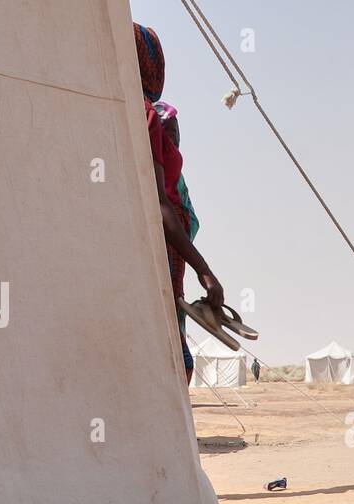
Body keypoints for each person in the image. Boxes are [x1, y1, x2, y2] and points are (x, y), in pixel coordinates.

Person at [135, 23, 224, 385]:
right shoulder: (145, 115)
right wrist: (204, 269)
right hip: (156, 252)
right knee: (171, 354)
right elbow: (159, 205)